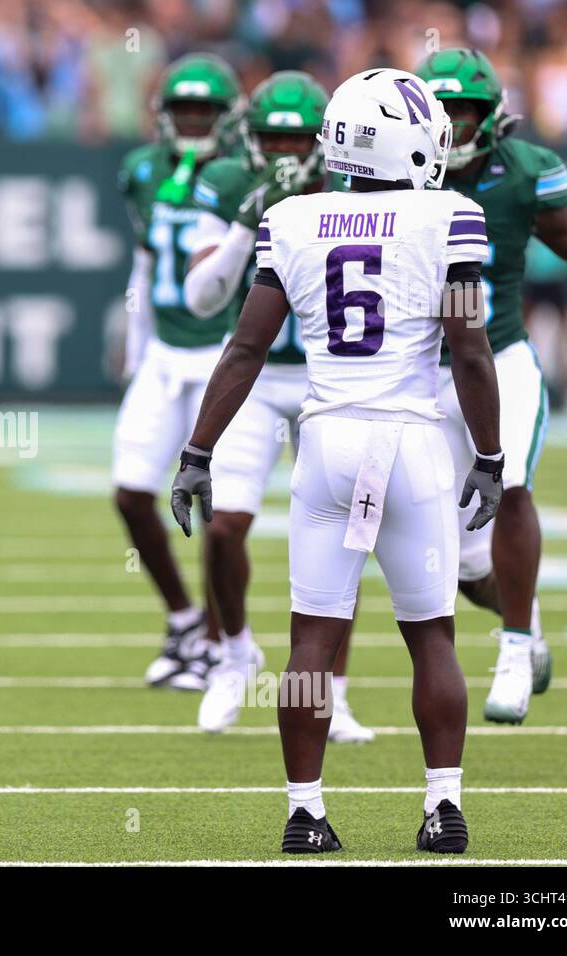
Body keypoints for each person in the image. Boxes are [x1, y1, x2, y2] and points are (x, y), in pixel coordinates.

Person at [171, 69, 502, 854]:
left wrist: (197, 450)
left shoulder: (291, 218)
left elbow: (245, 346)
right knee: (432, 636)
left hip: (325, 445)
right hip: (412, 444)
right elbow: (471, 349)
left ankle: (305, 812)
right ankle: (442, 807)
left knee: (311, 641)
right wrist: (488, 455)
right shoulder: (449, 217)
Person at [415, 48, 567, 724]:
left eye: (464, 110)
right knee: (459, 564)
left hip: (501, 356)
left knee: (508, 485)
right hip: (422, 369)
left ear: (492, 115)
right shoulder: (394, 177)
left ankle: (512, 650)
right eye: (440, 110)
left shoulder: (521, 176)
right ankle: (526, 616)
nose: (451, 124)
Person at [180, 70, 371, 741]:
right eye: (270, 138)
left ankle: (334, 690)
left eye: (296, 141)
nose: (284, 154)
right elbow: (203, 297)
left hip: (330, 380)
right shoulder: (231, 181)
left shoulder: (354, 184)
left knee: (346, 533)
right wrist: (247, 220)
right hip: (256, 381)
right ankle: (234, 656)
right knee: (226, 526)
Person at [113, 53, 243, 692]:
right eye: (184, 110)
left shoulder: (240, 175)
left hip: (221, 353)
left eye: (205, 111)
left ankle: (220, 644)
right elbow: (143, 264)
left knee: (223, 511)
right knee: (131, 492)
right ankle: (186, 621)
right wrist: (133, 342)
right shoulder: (140, 170)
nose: (193, 121)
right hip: (164, 353)